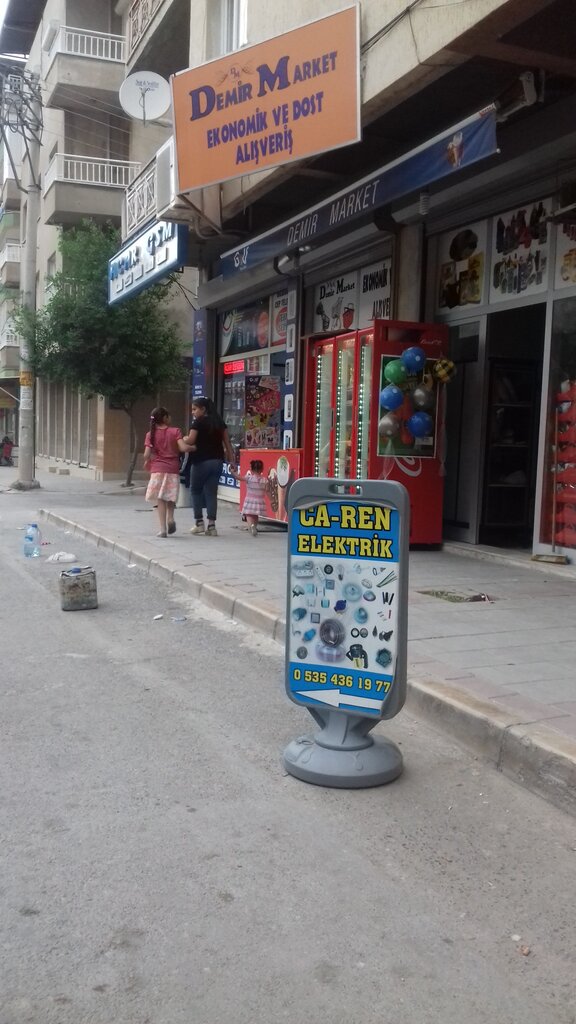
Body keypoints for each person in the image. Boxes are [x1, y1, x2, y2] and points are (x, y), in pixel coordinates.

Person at [183, 397, 235, 537]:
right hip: (217, 461)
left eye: (195, 409)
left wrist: (182, 439)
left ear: (203, 409)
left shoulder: (198, 422)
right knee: (211, 492)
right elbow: (227, 443)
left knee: (196, 490)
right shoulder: (219, 422)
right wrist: (231, 460)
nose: (193, 412)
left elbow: (191, 440)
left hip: (200, 461)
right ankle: (212, 526)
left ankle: (199, 523)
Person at [143, 407, 190, 537]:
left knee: (160, 499)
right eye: (169, 416)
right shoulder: (175, 431)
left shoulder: (150, 434)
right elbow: (183, 447)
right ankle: (171, 518)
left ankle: (163, 530)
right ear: (165, 418)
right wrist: (193, 447)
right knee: (170, 496)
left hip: (157, 469)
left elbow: (147, 455)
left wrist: (148, 460)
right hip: (172, 469)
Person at [230, 460, 267, 536]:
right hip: (259, 501)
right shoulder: (264, 480)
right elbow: (268, 491)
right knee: (256, 515)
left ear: (251, 469)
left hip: (250, 500)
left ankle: (251, 526)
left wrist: (233, 472)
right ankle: (255, 526)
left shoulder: (249, 478)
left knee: (248, 515)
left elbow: (238, 477)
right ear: (262, 469)